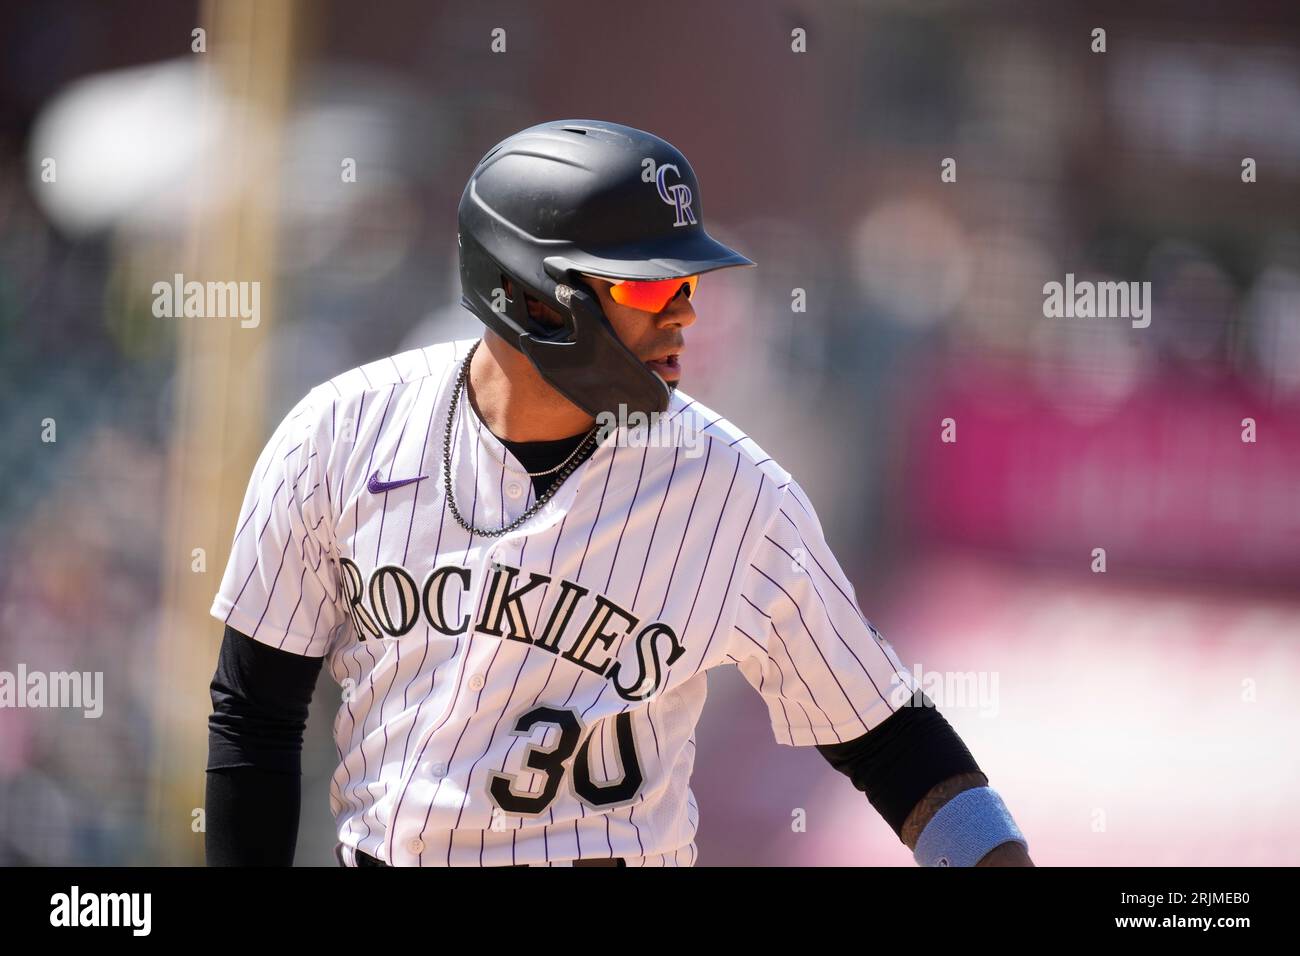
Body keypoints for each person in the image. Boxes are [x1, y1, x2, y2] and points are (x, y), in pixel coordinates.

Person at [205, 119, 1032, 867]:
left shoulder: (733, 493)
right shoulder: (339, 437)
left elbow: (889, 738)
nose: (684, 314)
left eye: (689, 284)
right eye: (647, 287)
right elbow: (255, 716)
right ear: (532, 296)